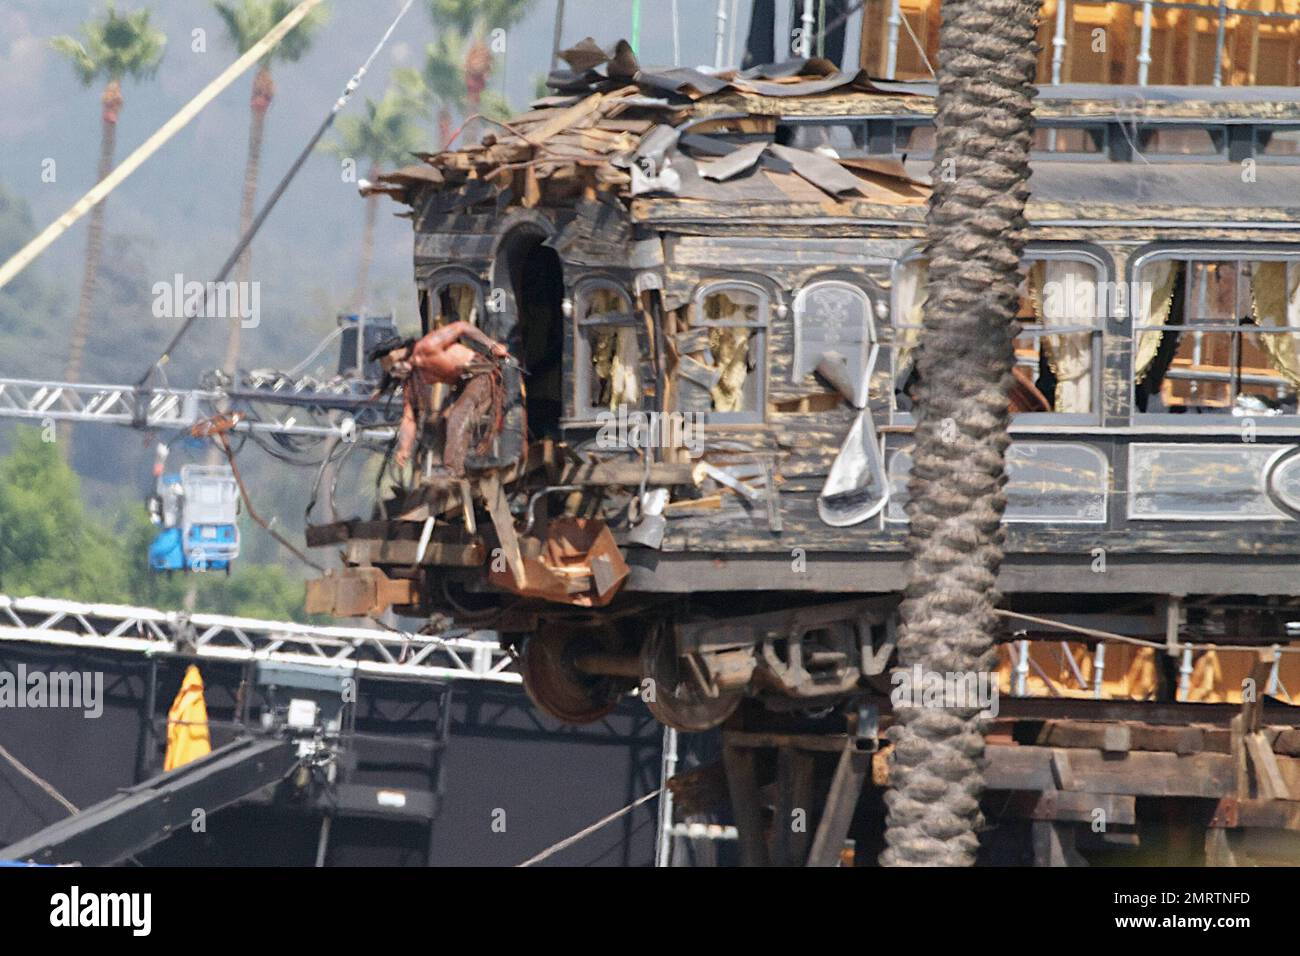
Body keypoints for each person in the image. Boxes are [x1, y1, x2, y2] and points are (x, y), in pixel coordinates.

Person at [371, 320, 512, 476]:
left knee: (457, 417)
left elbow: (461, 327)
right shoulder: (412, 379)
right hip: (461, 385)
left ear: (399, 357)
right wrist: (404, 448)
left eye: (393, 369)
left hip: (481, 375)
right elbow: (409, 418)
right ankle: (464, 470)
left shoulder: (428, 346)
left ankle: (453, 474)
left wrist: (492, 345)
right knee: (441, 423)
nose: (395, 375)